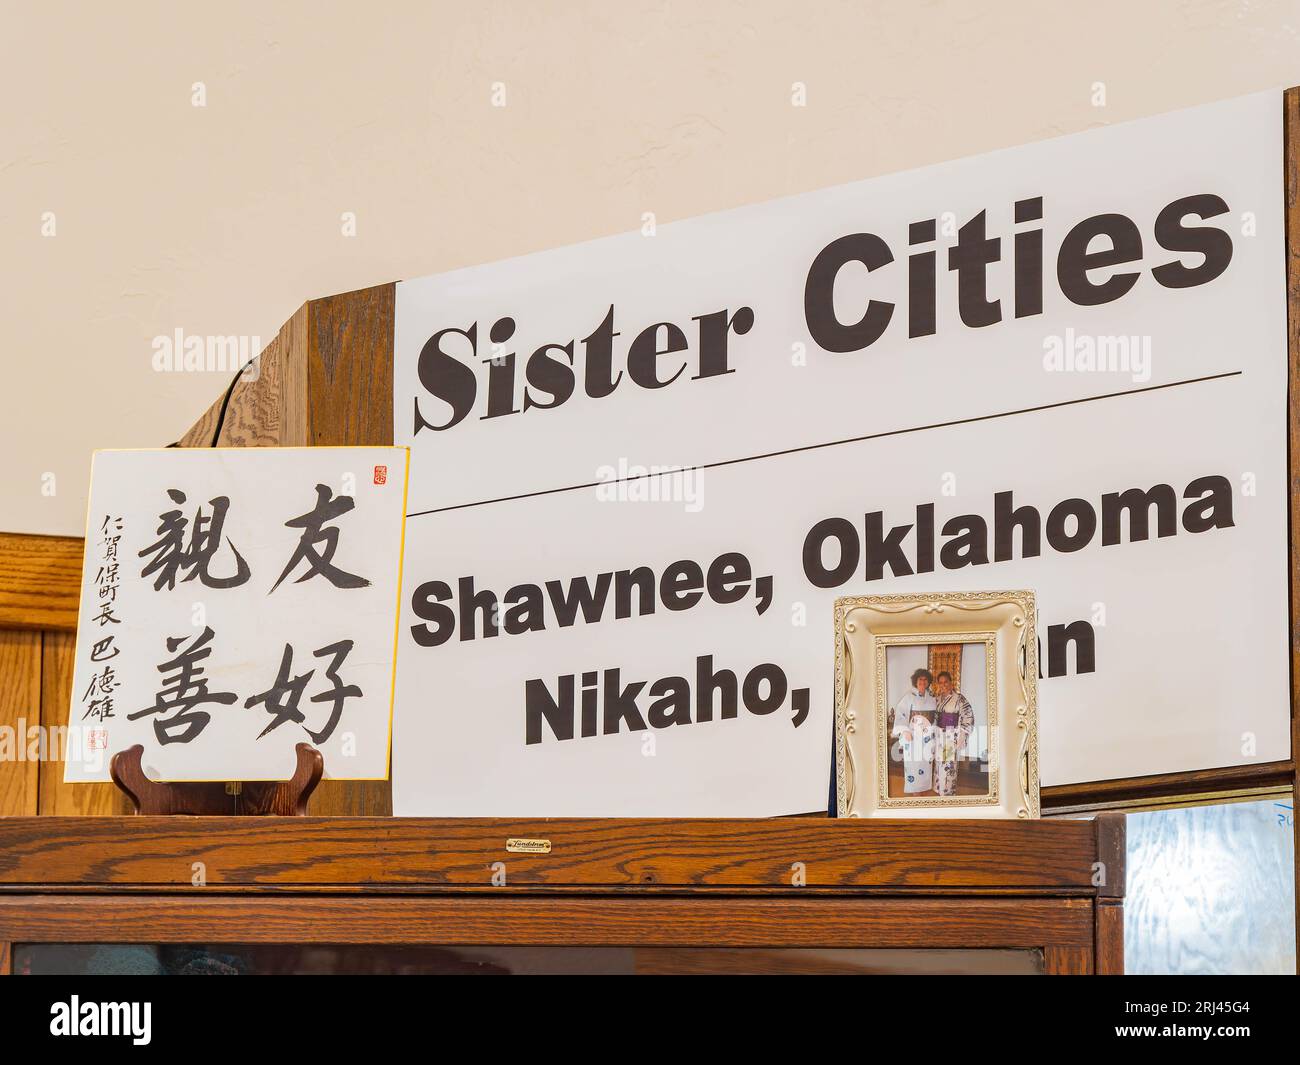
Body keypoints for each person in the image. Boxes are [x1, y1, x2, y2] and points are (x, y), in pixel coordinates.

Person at [891, 668, 937, 794]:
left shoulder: (932, 699)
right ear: (915, 681)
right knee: (913, 764)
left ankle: (924, 787)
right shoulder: (908, 698)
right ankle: (914, 790)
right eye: (920, 679)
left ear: (928, 682)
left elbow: (935, 718)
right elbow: (901, 715)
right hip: (913, 738)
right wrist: (905, 731)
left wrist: (934, 732)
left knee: (925, 763)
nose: (922, 681)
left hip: (927, 738)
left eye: (925, 679)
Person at [933, 670, 975, 796]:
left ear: (951, 683)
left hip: (951, 736)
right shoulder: (937, 699)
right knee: (939, 763)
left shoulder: (959, 699)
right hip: (939, 736)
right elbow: (935, 717)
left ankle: (948, 792)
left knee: (948, 765)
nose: (943, 685)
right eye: (940, 683)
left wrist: (962, 734)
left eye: (946, 682)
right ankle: (939, 789)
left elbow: (968, 715)